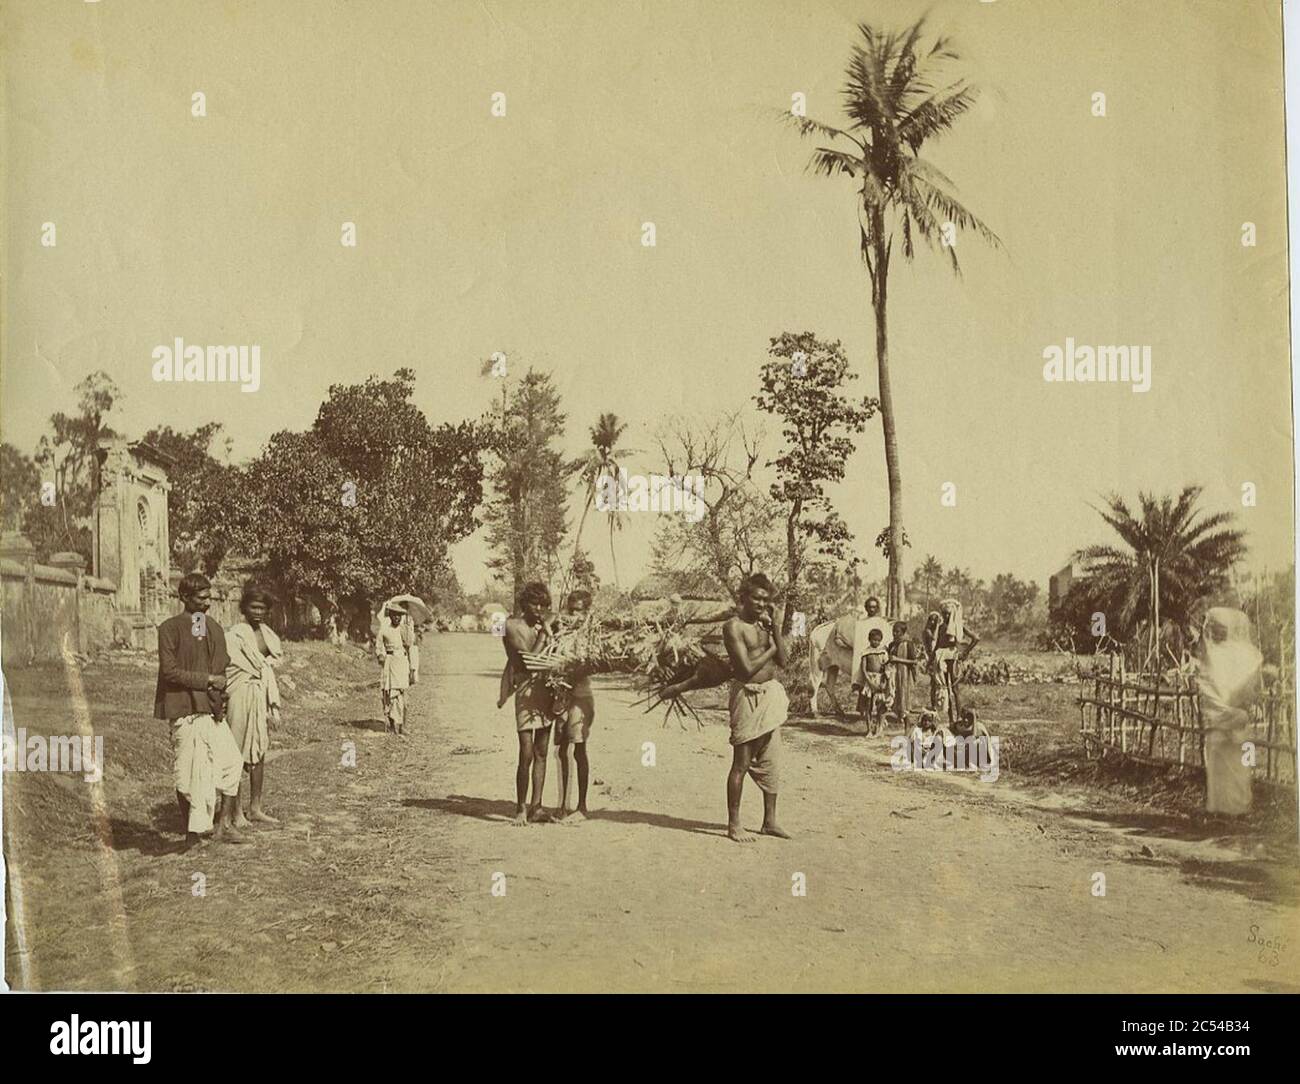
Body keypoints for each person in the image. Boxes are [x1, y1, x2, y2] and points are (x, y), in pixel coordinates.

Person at [154, 573, 246, 849]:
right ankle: (191, 834)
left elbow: (220, 670)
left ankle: (223, 825)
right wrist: (206, 680)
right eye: (201, 598)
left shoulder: (214, 629)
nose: (207, 604)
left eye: (209, 598)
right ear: (184, 598)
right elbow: (170, 672)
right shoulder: (169, 629)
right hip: (183, 709)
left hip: (209, 711)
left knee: (231, 763)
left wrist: (218, 700)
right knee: (187, 776)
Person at [721, 573, 790, 844]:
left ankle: (769, 821)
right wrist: (771, 649)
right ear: (744, 597)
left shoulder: (765, 626)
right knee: (741, 762)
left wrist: (775, 630)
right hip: (746, 696)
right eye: (756, 598)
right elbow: (745, 668)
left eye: (765, 599)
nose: (761, 603)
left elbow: (783, 661)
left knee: (772, 761)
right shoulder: (733, 627)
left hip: (770, 695)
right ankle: (734, 824)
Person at [1193, 607, 1262, 817]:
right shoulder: (1245, 654)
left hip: (1225, 718)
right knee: (1233, 766)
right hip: (1232, 717)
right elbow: (1247, 689)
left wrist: (1226, 710)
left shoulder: (1220, 655)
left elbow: (1209, 687)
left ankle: (1228, 811)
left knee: (1230, 765)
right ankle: (1232, 811)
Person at [499, 582, 557, 826]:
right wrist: (545, 631)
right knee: (526, 752)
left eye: (544, 605)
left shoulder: (543, 625)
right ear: (524, 603)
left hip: (546, 690)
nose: (540, 609)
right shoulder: (511, 626)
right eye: (535, 604)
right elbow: (530, 660)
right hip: (525, 690)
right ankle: (521, 808)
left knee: (542, 751)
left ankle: (537, 806)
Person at [225, 583, 283, 826]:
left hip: (258, 695)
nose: (258, 612)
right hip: (239, 693)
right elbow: (231, 665)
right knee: (236, 751)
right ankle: (235, 812)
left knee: (259, 749)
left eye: (262, 608)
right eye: (253, 607)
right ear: (244, 608)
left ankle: (255, 807)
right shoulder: (235, 634)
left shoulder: (268, 635)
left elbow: (271, 663)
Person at [553, 589, 596, 824]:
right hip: (562, 697)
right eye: (571, 610)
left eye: (579, 610)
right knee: (561, 751)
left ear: (587, 612)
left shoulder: (590, 635)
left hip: (580, 697)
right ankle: (563, 805)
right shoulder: (561, 631)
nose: (574, 614)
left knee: (578, 750)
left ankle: (582, 806)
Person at [935, 599, 979, 724]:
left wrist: (966, 652)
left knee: (955, 689)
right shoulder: (941, 627)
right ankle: (950, 719)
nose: (946, 616)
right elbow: (938, 643)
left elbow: (976, 638)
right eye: (944, 614)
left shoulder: (958, 626)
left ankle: (959, 717)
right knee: (944, 689)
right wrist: (932, 658)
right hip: (941, 657)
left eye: (948, 614)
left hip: (953, 657)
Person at [375, 602, 414, 736]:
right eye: (395, 615)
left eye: (400, 615)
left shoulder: (404, 629)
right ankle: (392, 725)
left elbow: (410, 645)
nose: (397, 618)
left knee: (403, 697)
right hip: (390, 663)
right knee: (390, 695)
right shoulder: (384, 630)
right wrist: (380, 655)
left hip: (402, 662)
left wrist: (408, 627)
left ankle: (403, 726)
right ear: (390, 616)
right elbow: (379, 646)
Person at [857, 627, 892, 732]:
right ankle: (868, 729)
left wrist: (885, 681)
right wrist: (869, 682)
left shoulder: (882, 652)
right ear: (869, 639)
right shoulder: (866, 652)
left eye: (878, 640)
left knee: (881, 705)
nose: (876, 642)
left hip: (880, 680)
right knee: (868, 705)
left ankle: (879, 728)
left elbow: (886, 667)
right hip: (869, 681)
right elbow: (863, 669)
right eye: (874, 640)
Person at [888, 620, 921, 723]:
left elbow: (914, 661)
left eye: (897, 631)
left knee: (903, 692)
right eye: (893, 631)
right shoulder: (892, 644)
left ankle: (904, 716)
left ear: (903, 632)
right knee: (894, 692)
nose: (895, 633)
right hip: (893, 672)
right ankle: (897, 714)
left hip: (904, 673)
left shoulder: (908, 644)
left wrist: (898, 660)